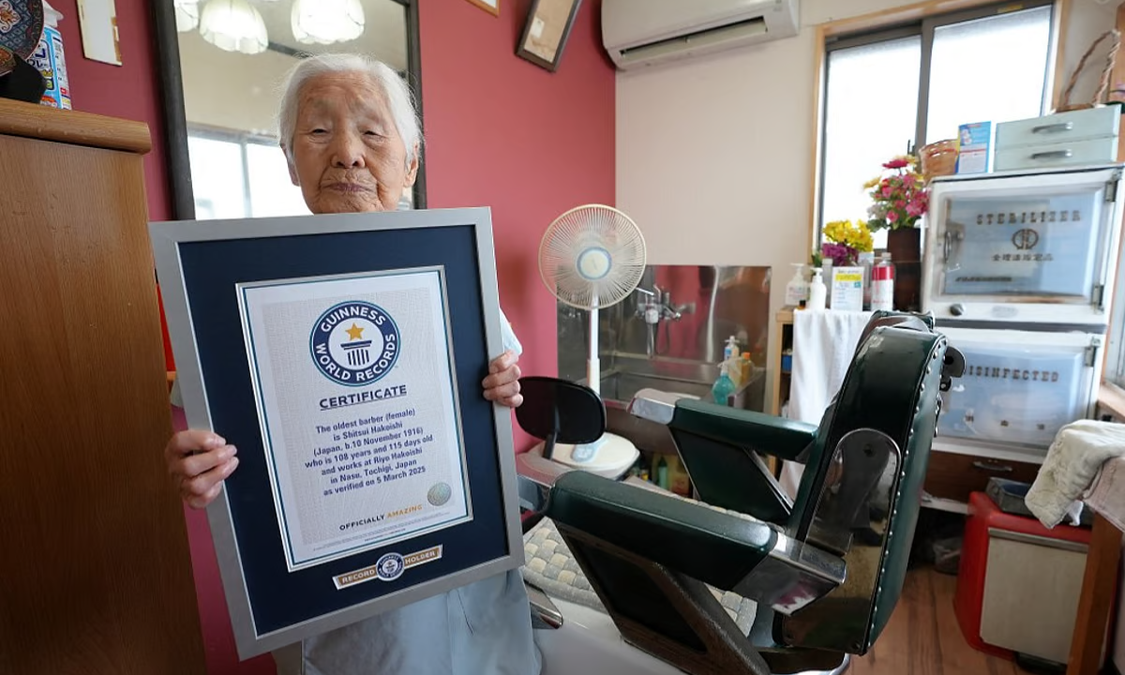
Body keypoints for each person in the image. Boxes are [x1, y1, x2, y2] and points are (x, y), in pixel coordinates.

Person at [164, 53, 541, 675]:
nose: (346, 153)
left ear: (410, 162)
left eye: (371, 131)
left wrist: (501, 391)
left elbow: (496, 389)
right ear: (290, 161)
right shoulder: (234, 293)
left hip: (461, 569)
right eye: (317, 132)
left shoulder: (455, 274)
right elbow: (206, 418)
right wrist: (198, 464)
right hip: (343, 605)